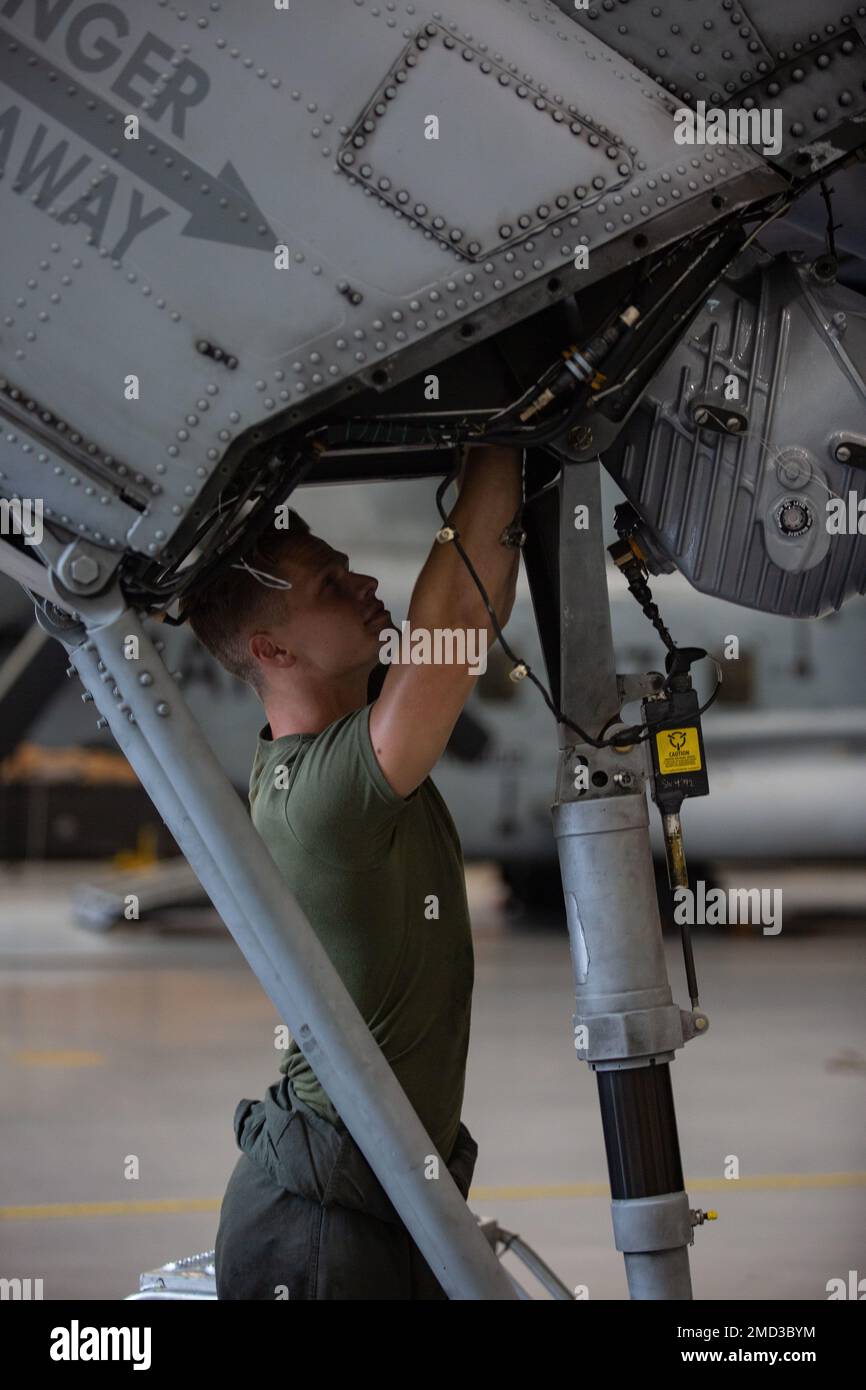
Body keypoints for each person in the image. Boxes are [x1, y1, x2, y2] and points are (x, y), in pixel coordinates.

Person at [185, 442, 522, 1298]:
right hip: (319, 1232)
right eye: (332, 587)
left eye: (346, 570)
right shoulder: (324, 795)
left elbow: (472, 608)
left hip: (375, 1196)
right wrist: (508, 433)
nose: (366, 585)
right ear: (274, 651)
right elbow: (452, 632)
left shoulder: (335, 758)